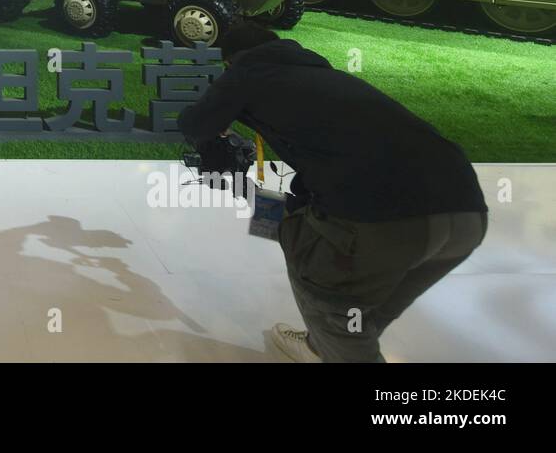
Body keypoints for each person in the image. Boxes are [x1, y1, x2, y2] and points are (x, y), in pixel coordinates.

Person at [177, 21, 487, 363]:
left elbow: (195, 123)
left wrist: (222, 149)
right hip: (466, 215)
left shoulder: (248, 71)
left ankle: (333, 344)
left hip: (383, 222)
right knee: (361, 315)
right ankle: (321, 346)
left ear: (229, 62)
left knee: (329, 297)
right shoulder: (324, 77)